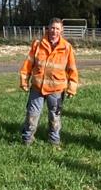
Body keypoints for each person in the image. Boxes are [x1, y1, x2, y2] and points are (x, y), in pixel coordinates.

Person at [20, 18, 80, 146]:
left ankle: (54, 141)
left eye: (57, 28)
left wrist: (72, 87)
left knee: (55, 117)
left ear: (61, 30)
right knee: (32, 114)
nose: (54, 31)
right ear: (48, 28)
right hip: (37, 88)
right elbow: (28, 64)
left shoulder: (66, 47)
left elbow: (72, 68)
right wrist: (24, 80)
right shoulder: (37, 44)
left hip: (56, 90)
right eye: (52, 28)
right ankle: (27, 139)